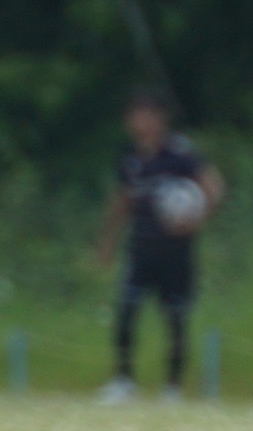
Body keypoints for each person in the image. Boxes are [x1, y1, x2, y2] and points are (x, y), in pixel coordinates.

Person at [95, 90, 224, 402]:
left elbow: (214, 188)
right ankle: (123, 381)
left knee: (175, 318)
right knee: (127, 311)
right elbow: (121, 202)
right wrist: (106, 244)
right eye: (136, 115)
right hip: (141, 250)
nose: (142, 122)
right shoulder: (131, 159)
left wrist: (195, 220)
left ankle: (172, 387)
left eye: (148, 115)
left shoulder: (180, 154)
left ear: (161, 118)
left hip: (175, 253)